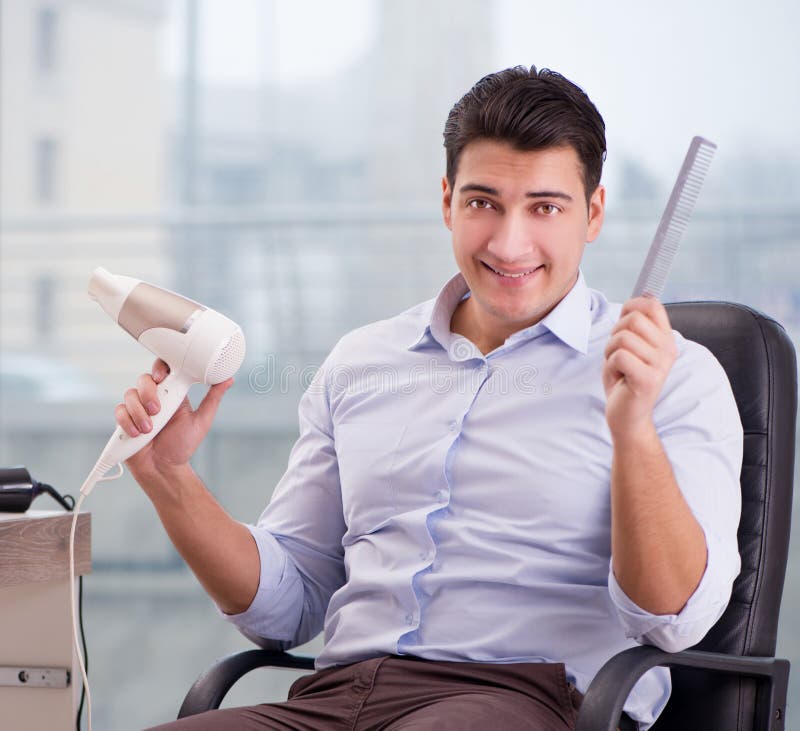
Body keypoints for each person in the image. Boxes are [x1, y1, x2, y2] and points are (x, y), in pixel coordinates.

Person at [125, 66, 743, 730]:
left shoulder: (675, 376)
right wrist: (170, 478)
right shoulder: (362, 362)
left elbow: (673, 617)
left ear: (592, 213)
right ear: (447, 201)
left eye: (545, 207)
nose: (509, 243)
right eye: (483, 203)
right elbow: (289, 604)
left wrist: (634, 433)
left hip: (530, 702)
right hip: (337, 699)